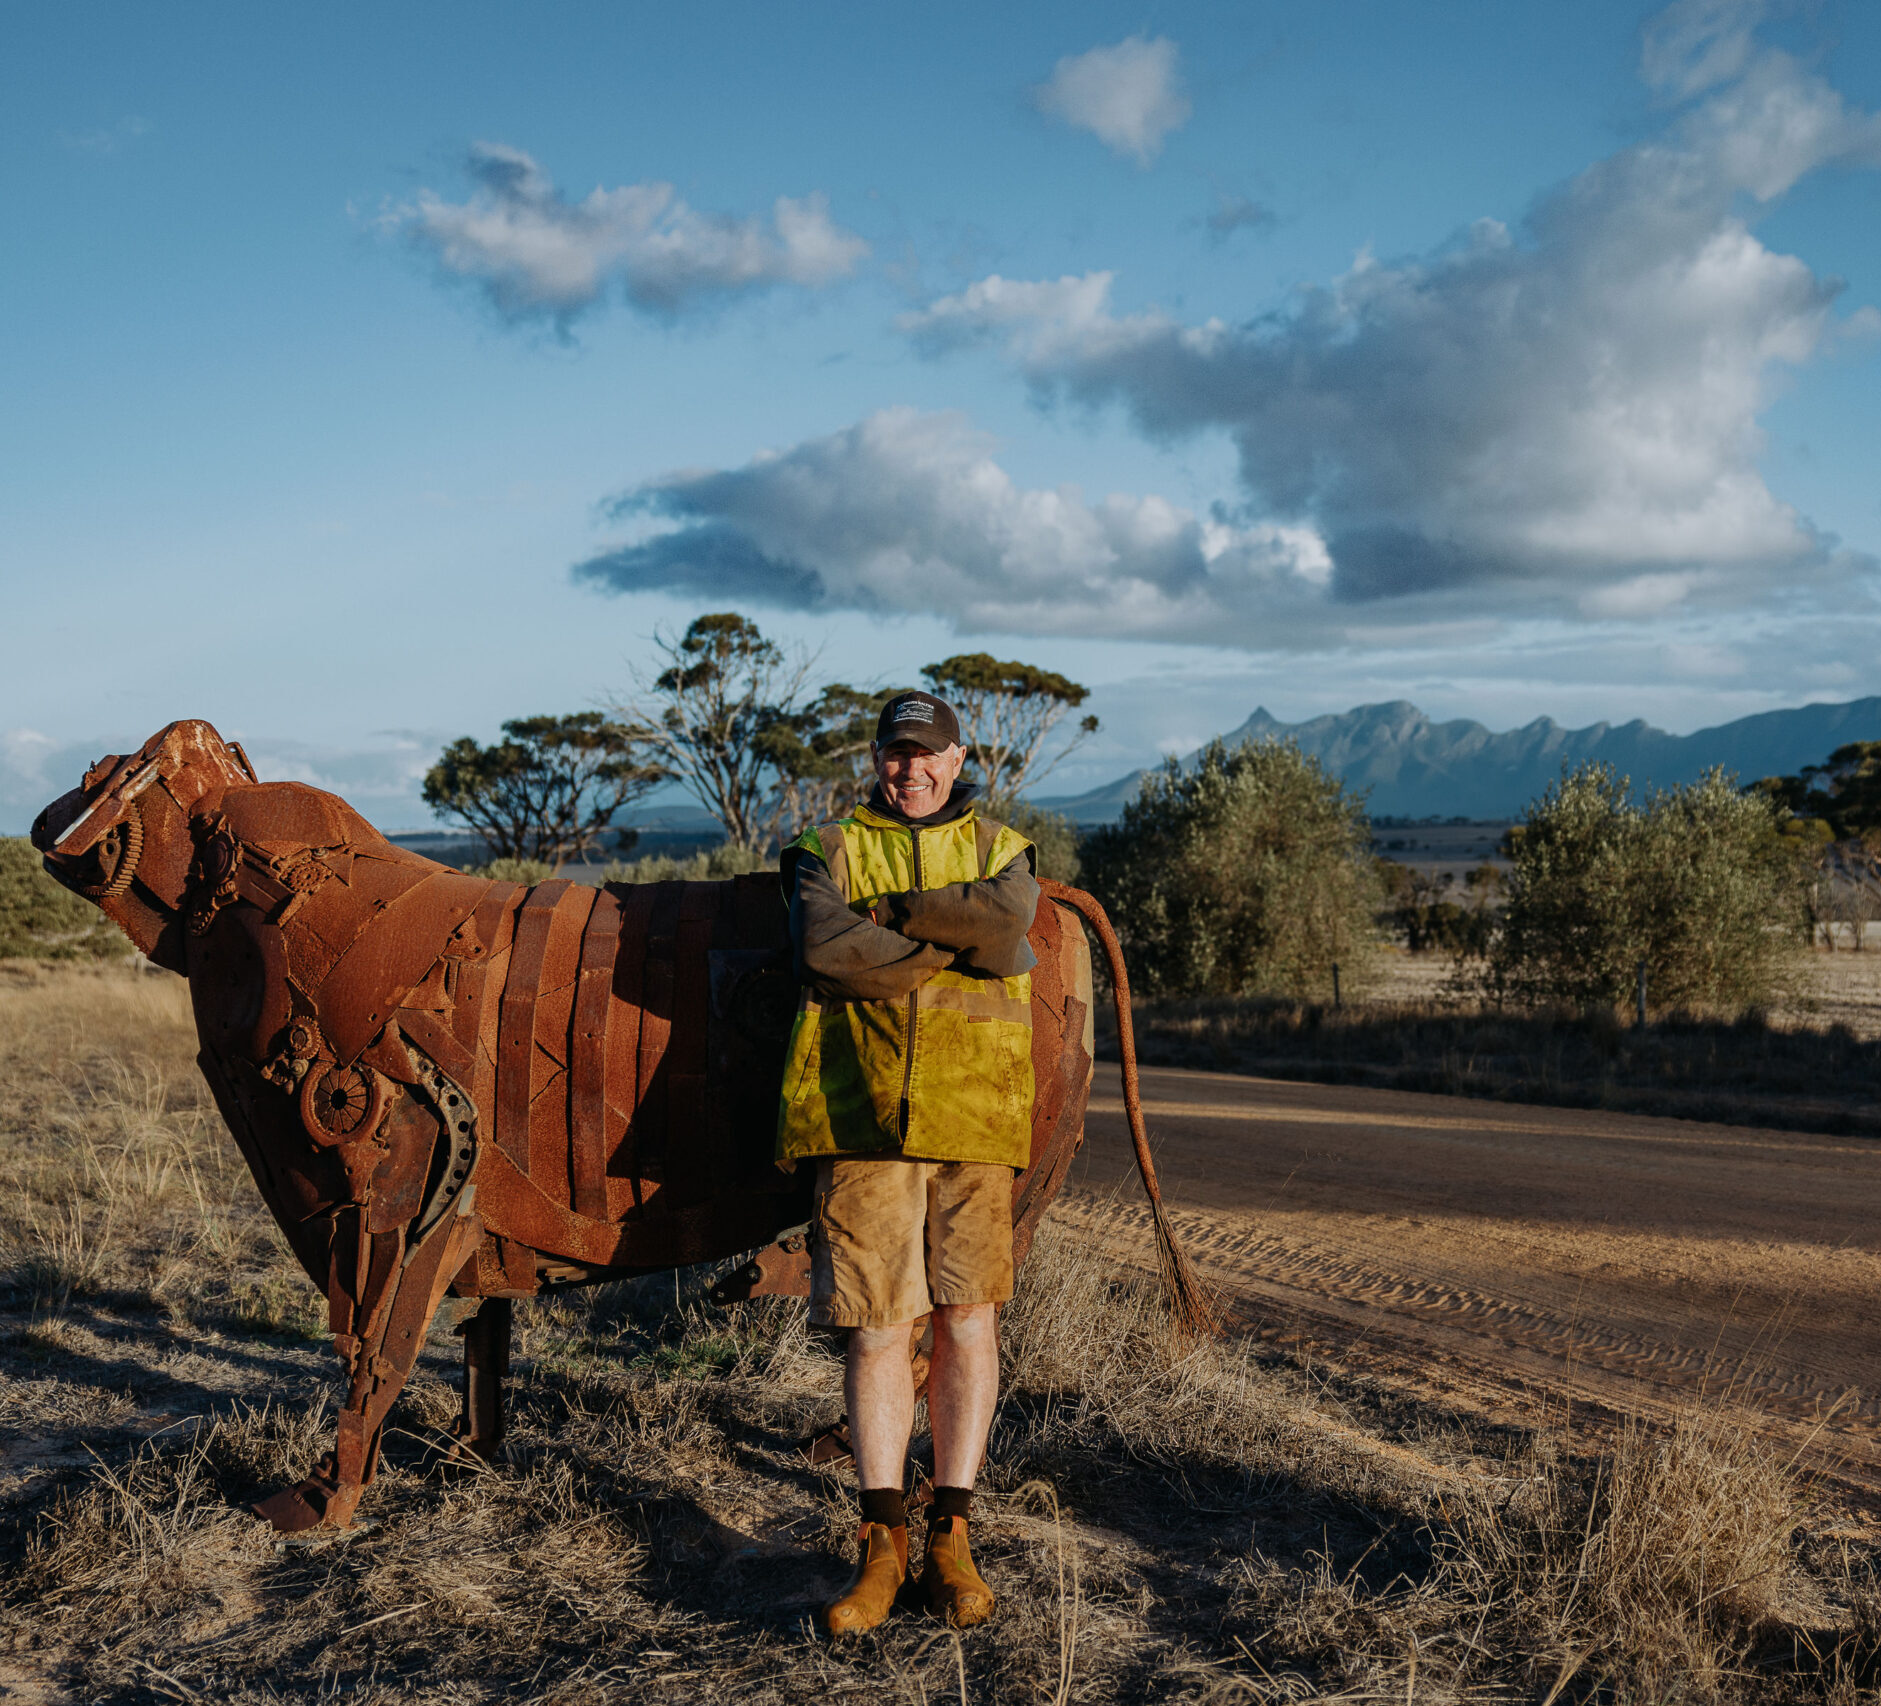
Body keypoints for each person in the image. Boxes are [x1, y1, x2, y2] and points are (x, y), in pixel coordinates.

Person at [777, 689, 1040, 1635]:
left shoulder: (1004, 852)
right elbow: (821, 947)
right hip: (860, 1118)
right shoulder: (828, 849)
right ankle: (879, 1544)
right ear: (877, 759)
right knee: (878, 1329)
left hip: (975, 1116)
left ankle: (951, 1535)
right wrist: (952, 942)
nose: (912, 769)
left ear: (960, 758)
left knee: (968, 1319)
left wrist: (885, 925)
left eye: (930, 754)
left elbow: (1007, 928)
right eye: (897, 754)